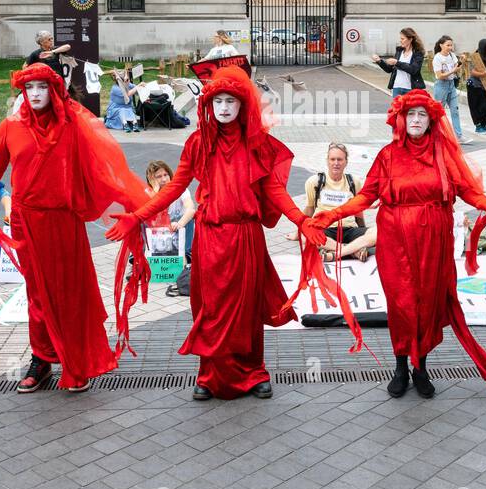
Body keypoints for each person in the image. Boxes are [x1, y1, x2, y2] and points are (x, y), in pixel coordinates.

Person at [107, 66, 333, 401]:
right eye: (218, 101)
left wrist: (303, 221)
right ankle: (209, 375)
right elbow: (174, 188)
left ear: (243, 106)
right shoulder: (199, 143)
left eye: (231, 100)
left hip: (245, 238)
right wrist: (138, 216)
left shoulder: (255, 144)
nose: (224, 107)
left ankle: (254, 372)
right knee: (211, 309)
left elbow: (275, 191)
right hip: (210, 239)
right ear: (208, 105)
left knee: (246, 308)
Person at [0, 63, 151, 393]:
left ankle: (75, 360)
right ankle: (41, 360)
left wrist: (135, 208)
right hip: (27, 222)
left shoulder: (72, 124)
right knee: (37, 295)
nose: (35, 94)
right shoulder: (11, 127)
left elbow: (101, 169)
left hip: (63, 221)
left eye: (42, 87)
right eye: (28, 89)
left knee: (70, 292)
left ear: (54, 90)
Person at [312, 90, 486, 399]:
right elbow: (366, 196)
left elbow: (470, 193)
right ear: (401, 119)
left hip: (434, 241)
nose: (415, 120)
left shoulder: (443, 154)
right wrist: (332, 215)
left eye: (422, 115)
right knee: (401, 304)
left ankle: (421, 367)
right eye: (410, 114)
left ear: (431, 120)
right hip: (395, 240)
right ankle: (401, 366)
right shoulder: (388, 155)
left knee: (426, 304)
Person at [293, 142, 373, 263]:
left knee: (379, 232)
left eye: (340, 159)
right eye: (332, 159)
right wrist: (297, 232)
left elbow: (358, 210)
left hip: (349, 228)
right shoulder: (315, 181)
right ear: (327, 161)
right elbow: (309, 209)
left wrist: (363, 231)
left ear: (346, 162)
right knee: (306, 236)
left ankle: (331, 252)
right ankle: (351, 250)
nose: (336, 163)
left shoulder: (354, 182)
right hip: (325, 229)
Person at [145, 159, 195, 262]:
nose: (164, 179)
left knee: (189, 219)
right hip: (158, 231)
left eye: (165, 175)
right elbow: (147, 214)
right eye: (159, 177)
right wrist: (155, 191)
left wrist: (180, 223)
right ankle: (138, 260)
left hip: (177, 228)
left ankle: (187, 256)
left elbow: (191, 209)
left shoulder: (181, 189)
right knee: (139, 221)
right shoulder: (148, 193)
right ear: (151, 180)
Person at [431, 35, 466, 142]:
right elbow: (440, 75)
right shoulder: (437, 58)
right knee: (439, 112)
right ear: (441, 45)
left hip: (451, 85)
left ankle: (458, 136)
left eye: (451, 45)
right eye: (448, 45)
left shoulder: (452, 55)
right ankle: (435, 134)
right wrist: (453, 71)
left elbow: (456, 66)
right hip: (441, 85)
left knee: (455, 110)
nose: (450, 47)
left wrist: (461, 61)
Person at [373, 28, 426, 98]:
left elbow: (414, 70)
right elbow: (389, 69)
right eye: (400, 39)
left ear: (410, 39)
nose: (400, 41)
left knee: (411, 109)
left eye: (402, 39)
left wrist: (397, 62)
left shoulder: (418, 53)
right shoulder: (399, 51)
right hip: (397, 88)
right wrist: (379, 61)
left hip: (411, 89)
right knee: (396, 109)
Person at [104, 68, 140, 132]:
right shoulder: (115, 88)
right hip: (115, 108)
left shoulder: (129, 85)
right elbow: (127, 94)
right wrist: (138, 86)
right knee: (122, 110)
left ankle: (135, 124)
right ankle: (125, 124)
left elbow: (136, 89)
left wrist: (141, 85)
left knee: (129, 110)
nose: (127, 80)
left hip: (128, 107)